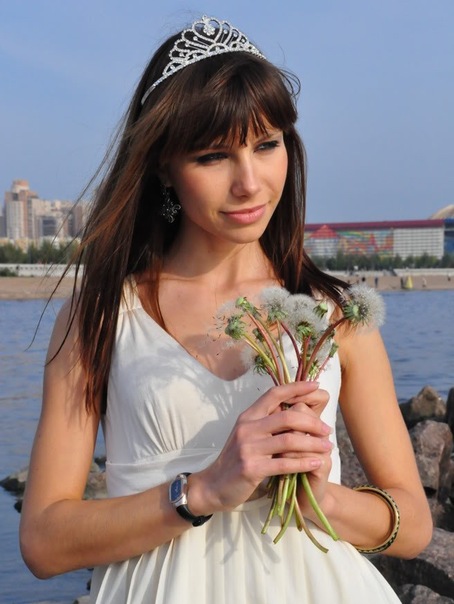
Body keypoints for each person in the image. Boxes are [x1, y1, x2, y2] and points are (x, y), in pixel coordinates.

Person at [19, 15, 432, 604]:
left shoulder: (334, 314)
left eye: (267, 145)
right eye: (214, 156)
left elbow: (413, 527)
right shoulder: (101, 317)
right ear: (163, 166)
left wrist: (321, 497)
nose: (250, 183)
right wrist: (204, 491)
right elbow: (42, 541)